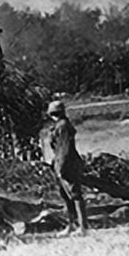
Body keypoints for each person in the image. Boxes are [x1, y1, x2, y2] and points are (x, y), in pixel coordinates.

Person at [41, 100, 88, 235]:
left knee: (75, 194)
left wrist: (60, 167)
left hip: (67, 163)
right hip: (61, 162)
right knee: (67, 196)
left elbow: (65, 149)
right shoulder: (60, 126)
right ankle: (72, 225)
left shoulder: (63, 126)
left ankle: (83, 227)